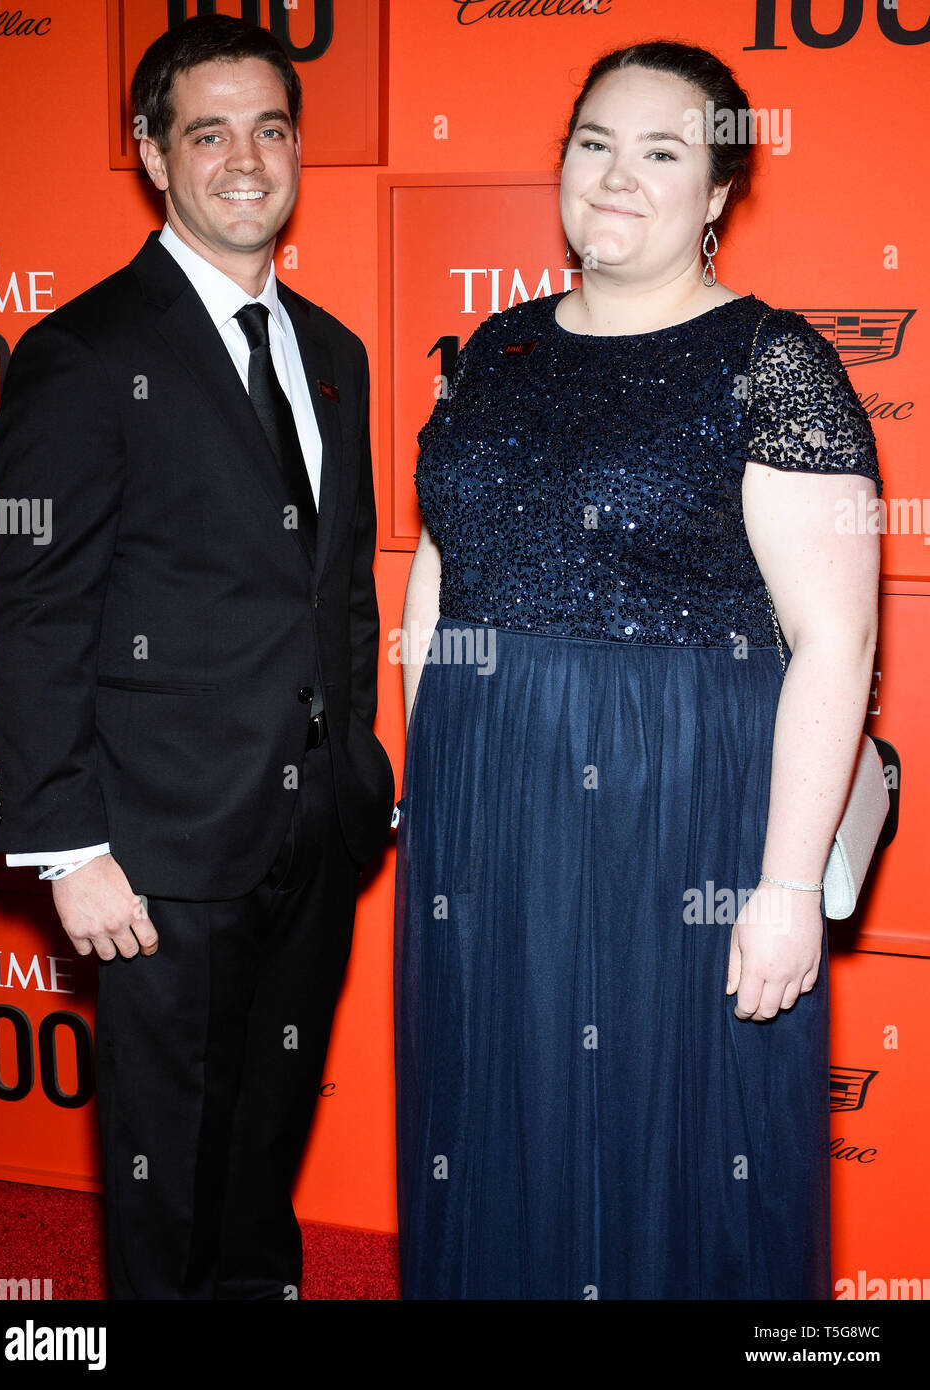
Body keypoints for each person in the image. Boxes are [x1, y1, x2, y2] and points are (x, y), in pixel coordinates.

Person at [394, 40, 881, 1299]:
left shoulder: (771, 363)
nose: (617, 174)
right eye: (595, 141)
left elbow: (836, 637)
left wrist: (782, 884)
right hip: (488, 810)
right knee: (498, 1105)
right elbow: (439, 571)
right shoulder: (493, 353)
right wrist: (433, 768)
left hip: (681, 812)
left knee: (670, 1126)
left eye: (663, 151)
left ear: (718, 191)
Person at [0, 13, 394, 1300]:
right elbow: (37, 610)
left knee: (263, 1150)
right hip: (158, 847)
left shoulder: (332, 354)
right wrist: (69, 847)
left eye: (270, 129)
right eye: (206, 131)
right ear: (153, 157)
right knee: (169, 1173)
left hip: (315, 829)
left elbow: (336, 594)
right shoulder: (85, 353)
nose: (244, 160)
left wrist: (361, 768)